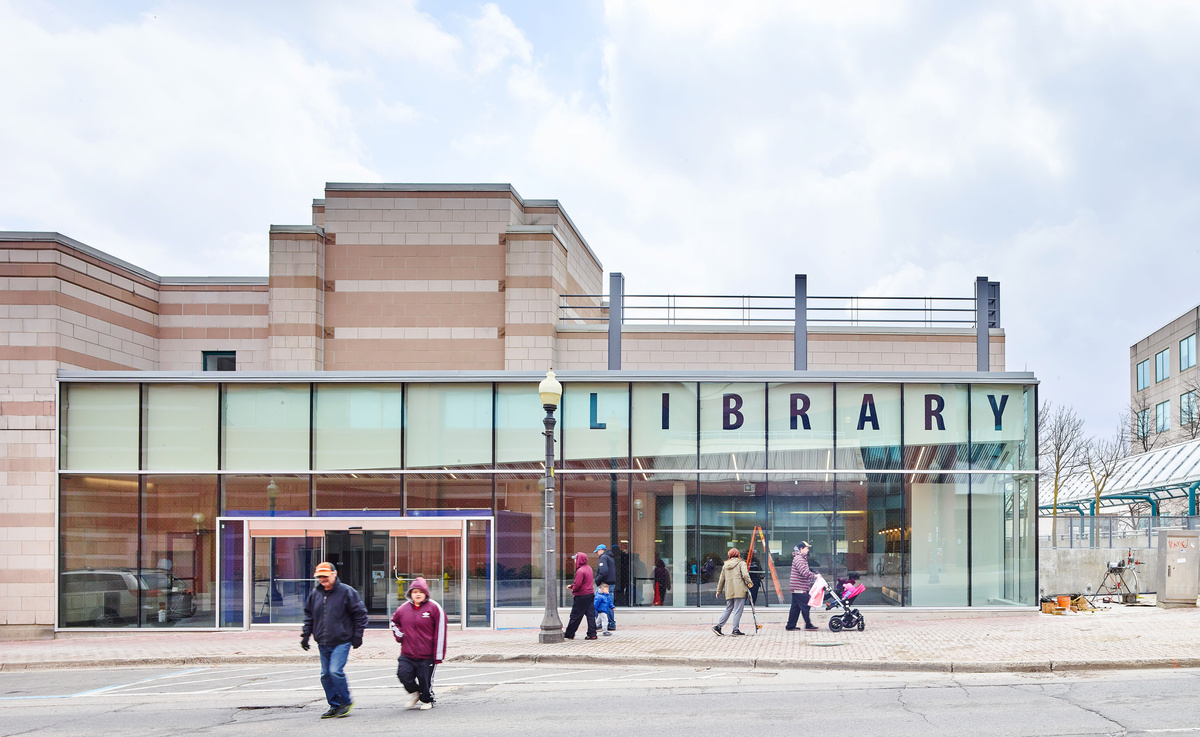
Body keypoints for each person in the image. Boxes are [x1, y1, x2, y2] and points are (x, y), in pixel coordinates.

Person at [301, 562, 368, 719]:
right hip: (323, 641)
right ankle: (334, 705)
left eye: (325, 576)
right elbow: (309, 616)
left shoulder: (346, 592)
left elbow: (360, 614)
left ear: (334, 574)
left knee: (335, 671)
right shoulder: (315, 594)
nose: (322, 579)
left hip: (342, 640)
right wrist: (305, 636)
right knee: (325, 675)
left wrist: (358, 635)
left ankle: (345, 702)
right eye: (319, 577)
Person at [390, 576, 448, 711]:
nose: (417, 594)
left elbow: (441, 631)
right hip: (407, 653)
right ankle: (414, 693)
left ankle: (427, 699)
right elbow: (394, 622)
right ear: (410, 593)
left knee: (425, 681)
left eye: (420, 592)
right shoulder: (403, 609)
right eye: (415, 592)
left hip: (426, 654)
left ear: (425, 593)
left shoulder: (434, 608)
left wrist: (438, 655)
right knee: (403, 674)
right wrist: (400, 635)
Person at [712, 548, 753, 636]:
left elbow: (721, 579)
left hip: (729, 590)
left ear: (729, 555)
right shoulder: (741, 563)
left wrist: (718, 591)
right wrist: (750, 582)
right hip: (740, 589)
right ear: (738, 555)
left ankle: (718, 627)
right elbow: (745, 575)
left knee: (728, 608)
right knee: (738, 610)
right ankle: (735, 630)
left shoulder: (725, 565)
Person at [563, 551, 598, 640]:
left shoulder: (580, 571)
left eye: (576, 559)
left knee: (575, 615)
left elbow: (578, 584)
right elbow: (584, 582)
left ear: (579, 560)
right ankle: (592, 633)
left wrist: (572, 588)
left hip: (581, 596)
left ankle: (569, 634)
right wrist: (573, 586)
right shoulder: (589, 568)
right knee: (590, 615)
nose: (575, 560)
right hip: (590, 594)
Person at [785, 541, 819, 631]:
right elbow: (804, 572)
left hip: (797, 586)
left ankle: (790, 626)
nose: (808, 550)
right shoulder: (799, 558)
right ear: (801, 548)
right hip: (799, 587)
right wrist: (814, 575)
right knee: (806, 605)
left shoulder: (800, 558)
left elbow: (805, 570)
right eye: (806, 548)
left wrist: (812, 571)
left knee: (795, 607)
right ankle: (808, 624)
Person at [594, 544, 617, 631]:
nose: (597, 554)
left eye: (597, 552)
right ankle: (611, 624)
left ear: (601, 550)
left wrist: (598, 580)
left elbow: (603, 571)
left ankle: (598, 623)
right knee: (608, 603)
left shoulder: (603, 558)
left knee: (598, 603)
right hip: (611, 583)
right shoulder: (611, 557)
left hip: (604, 584)